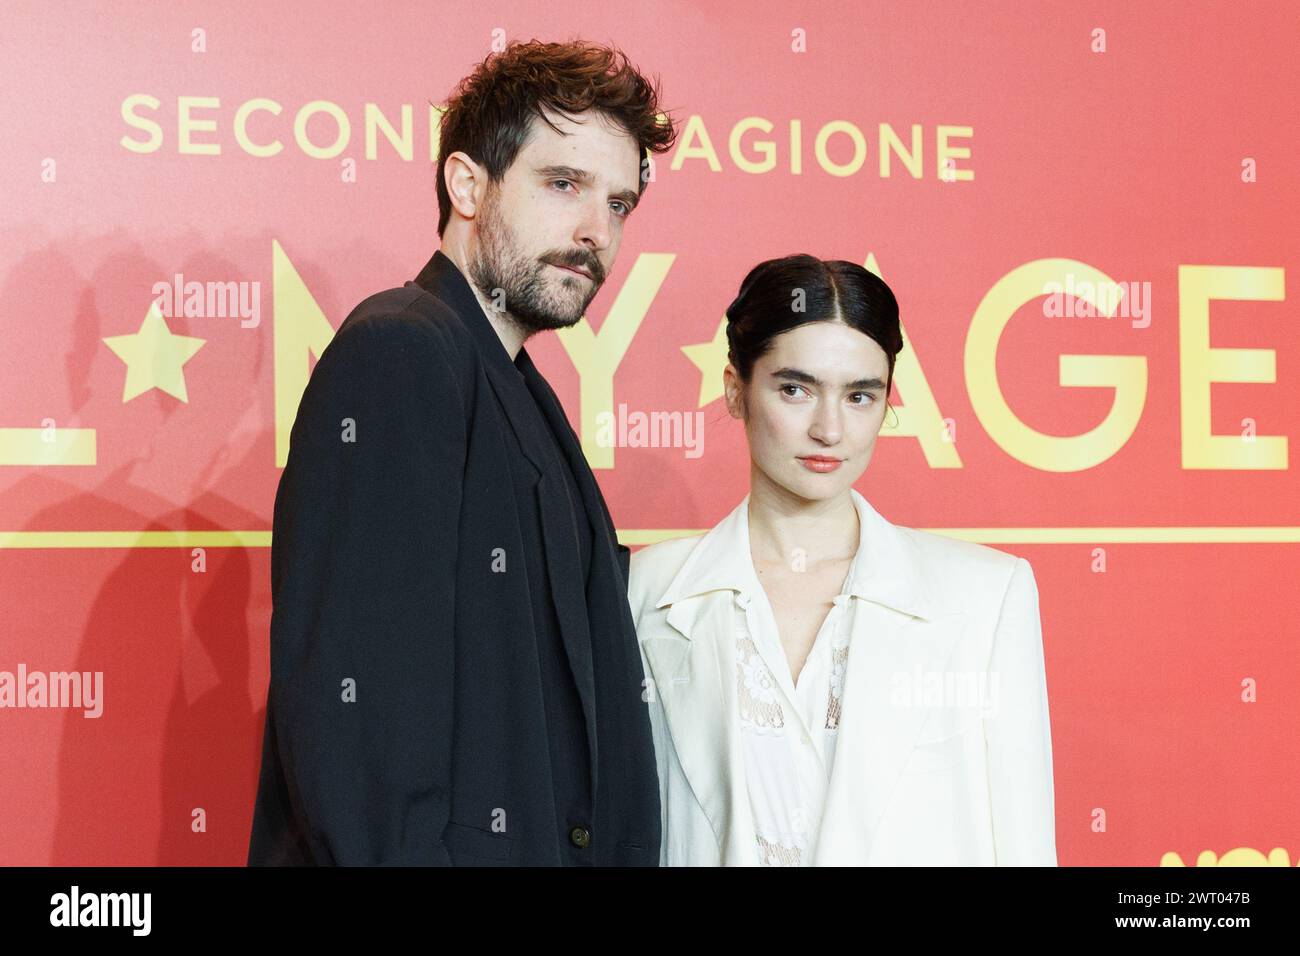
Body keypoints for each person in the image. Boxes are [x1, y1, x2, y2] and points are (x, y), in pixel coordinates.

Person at [247, 40, 678, 865]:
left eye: (620, 204)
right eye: (563, 185)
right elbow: (361, 733)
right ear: (467, 184)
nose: (596, 232)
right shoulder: (400, 355)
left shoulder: (517, 387)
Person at [628, 254, 1057, 865]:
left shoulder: (985, 596)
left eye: (859, 395)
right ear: (735, 391)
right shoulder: (646, 591)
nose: (829, 429)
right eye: (795, 389)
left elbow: (1023, 842)